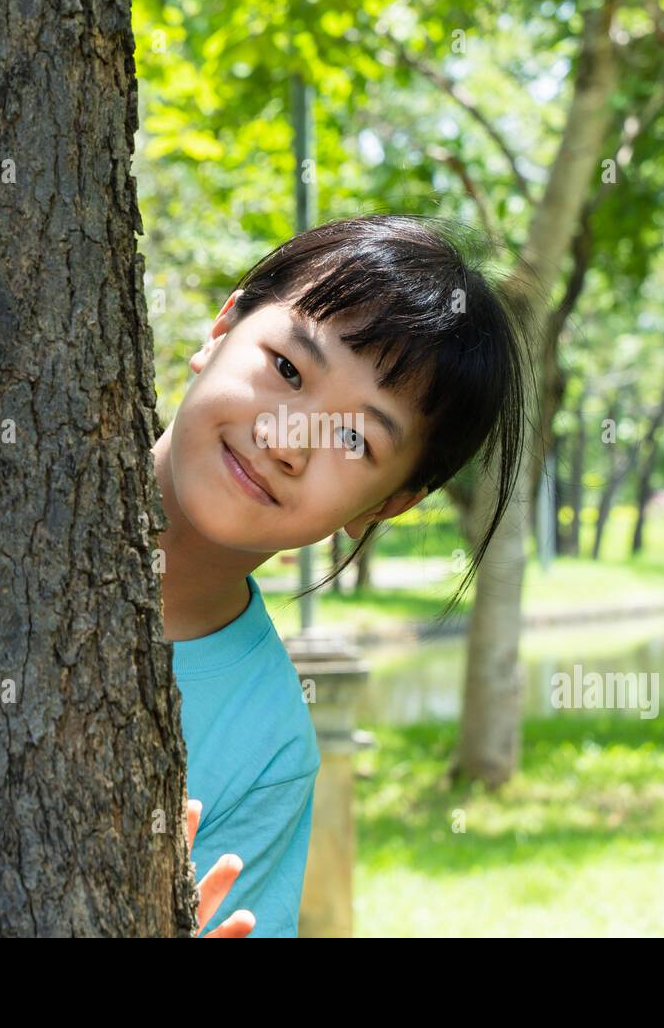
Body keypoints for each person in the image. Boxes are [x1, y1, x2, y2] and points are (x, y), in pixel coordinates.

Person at [156, 213, 530, 936]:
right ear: (221, 327)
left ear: (389, 504)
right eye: (288, 369)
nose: (288, 439)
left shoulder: (269, 750)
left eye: (354, 438)